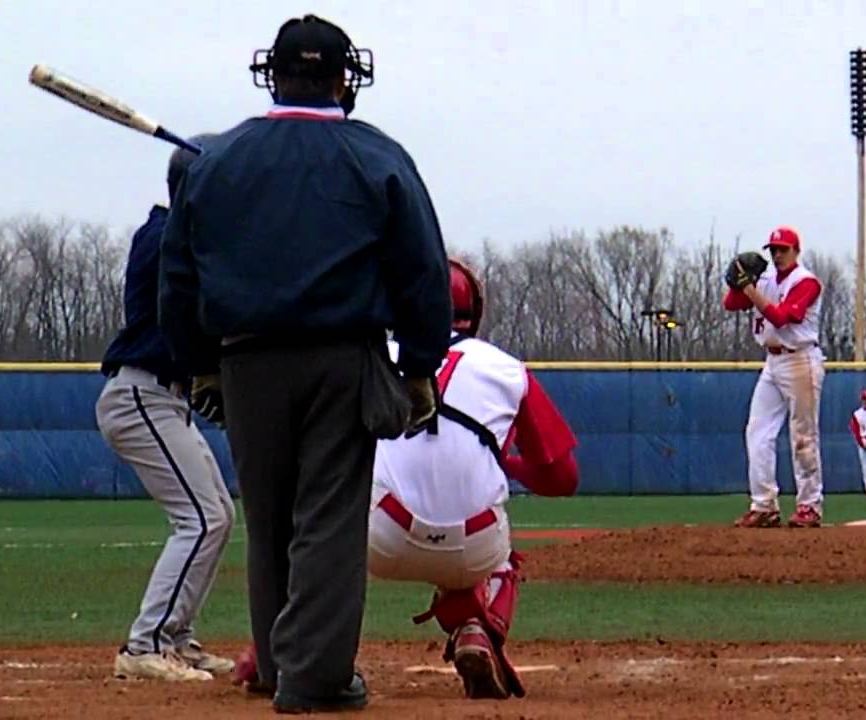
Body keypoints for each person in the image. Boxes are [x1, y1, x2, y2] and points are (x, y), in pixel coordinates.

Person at [157, 14, 451, 713]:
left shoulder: (217, 159)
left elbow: (178, 274)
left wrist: (197, 364)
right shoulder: (377, 155)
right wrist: (418, 364)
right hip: (340, 357)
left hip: (246, 361)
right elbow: (421, 270)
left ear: (274, 75)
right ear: (344, 78)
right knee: (328, 519)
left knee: (269, 519)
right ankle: (313, 677)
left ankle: (277, 662)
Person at [232, 258, 580, 701]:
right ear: (475, 311)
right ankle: (476, 627)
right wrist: (504, 462)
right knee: (498, 551)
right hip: (472, 546)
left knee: (321, 537)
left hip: (380, 533)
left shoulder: (372, 357)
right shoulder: (508, 369)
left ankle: (278, 651)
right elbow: (563, 479)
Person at [95, 134, 237, 683]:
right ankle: (145, 644)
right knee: (200, 518)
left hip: (164, 399)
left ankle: (175, 636)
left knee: (217, 516)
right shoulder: (163, 236)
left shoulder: (176, 231)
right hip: (141, 395)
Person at [722, 226, 826, 528]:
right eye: (774, 250)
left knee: (803, 436)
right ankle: (764, 504)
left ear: (796, 251)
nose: (778, 255)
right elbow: (731, 304)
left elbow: (782, 318)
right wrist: (738, 283)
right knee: (757, 433)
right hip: (772, 362)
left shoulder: (806, 282)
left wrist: (750, 289)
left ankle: (809, 505)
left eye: (783, 249)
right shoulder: (765, 279)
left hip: (800, 360)